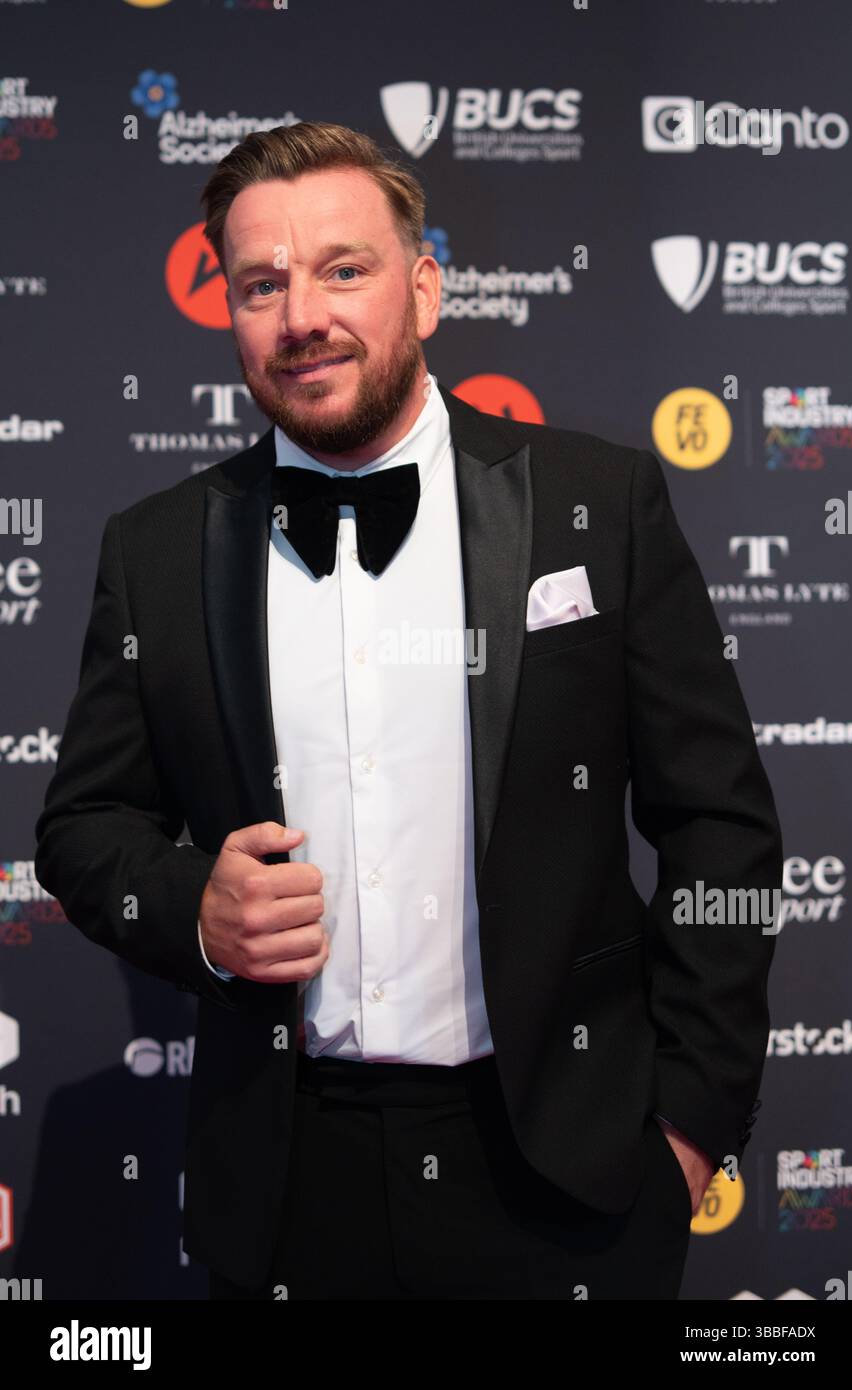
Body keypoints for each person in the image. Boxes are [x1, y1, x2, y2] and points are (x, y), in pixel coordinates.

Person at [34, 120, 782, 1301]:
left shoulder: (595, 502)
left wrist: (686, 1125)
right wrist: (196, 908)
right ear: (225, 310)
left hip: (567, 1175)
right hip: (286, 1182)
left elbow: (721, 824)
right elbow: (81, 829)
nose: (301, 317)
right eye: (260, 284)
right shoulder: (159, 550)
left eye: (344, 269)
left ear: (424, 287)